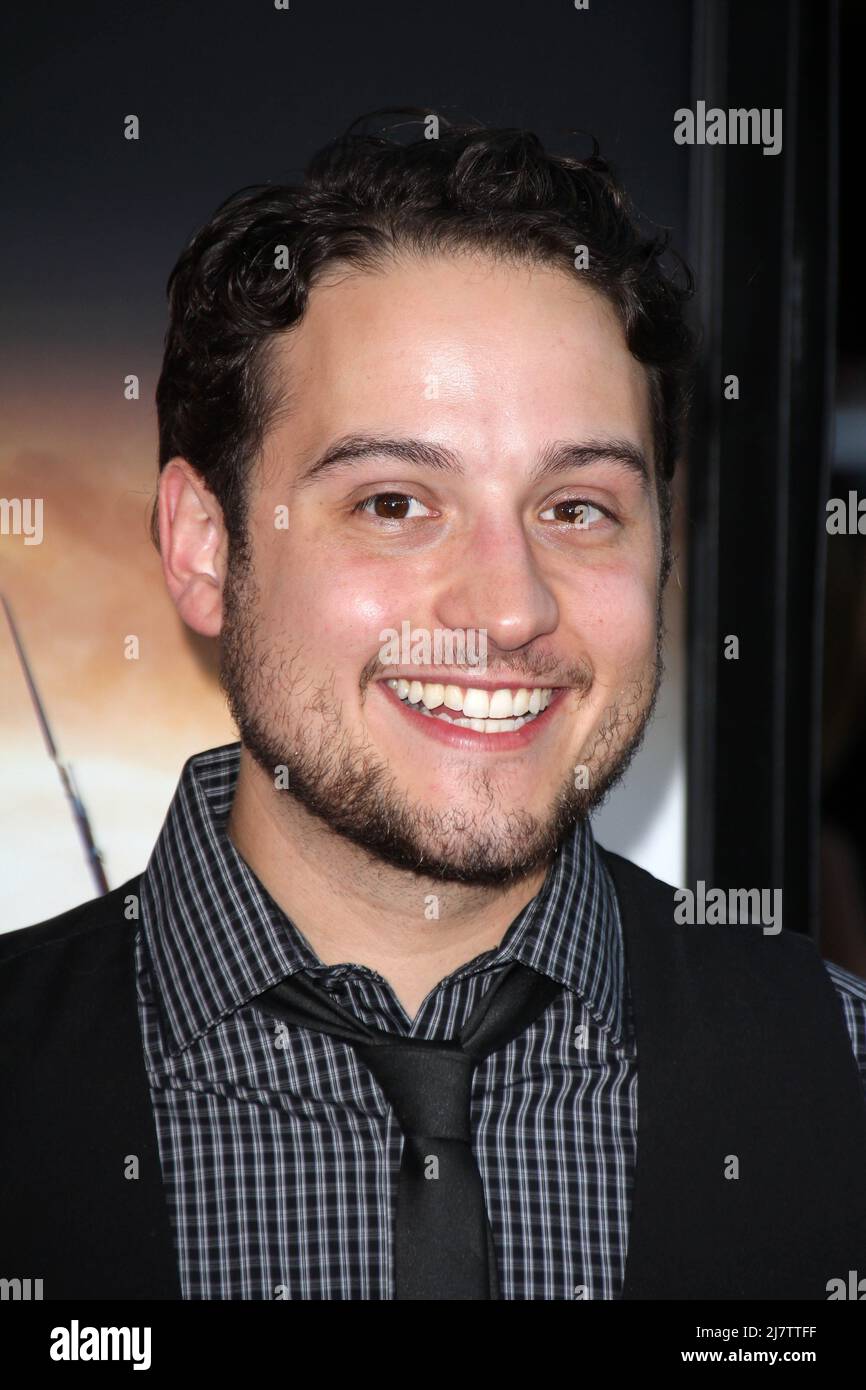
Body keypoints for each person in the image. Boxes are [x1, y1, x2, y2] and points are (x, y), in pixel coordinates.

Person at [3, 111, 866, 1301]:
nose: (510, 608)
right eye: (395, 503)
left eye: (577, 507)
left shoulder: (841, 1085)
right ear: (204, 549)